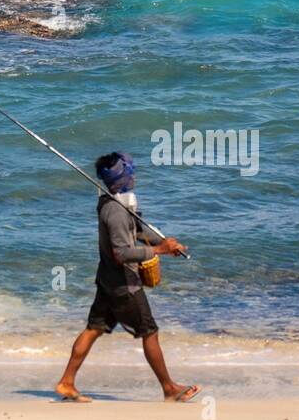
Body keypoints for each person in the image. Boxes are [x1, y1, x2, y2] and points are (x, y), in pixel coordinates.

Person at [55, 151, 200, 403]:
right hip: (124, 284)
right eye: (131, 170)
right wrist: (158, 251)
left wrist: (164, 243)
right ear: (124, 176)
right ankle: (169, 388)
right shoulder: (116, 212)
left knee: (94, 328)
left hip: (107, 281)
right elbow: (121, 253)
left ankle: (67, 382)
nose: (135, 174)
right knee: (150, 332)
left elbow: (139, 230)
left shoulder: (119, 203)